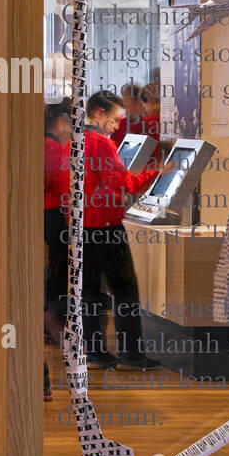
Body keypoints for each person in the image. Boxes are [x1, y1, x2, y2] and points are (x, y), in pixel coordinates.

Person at [67, 89, 171, 372]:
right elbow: (124, 185)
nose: (116, 127)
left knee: (88, 294)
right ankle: (132, 356)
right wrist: (159, 173)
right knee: (125, 292)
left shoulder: (73, 141)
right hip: (106, 228)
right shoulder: (101, 144)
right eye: (114, 121)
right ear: (99, 114)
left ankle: (95, 354)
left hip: (80, 229)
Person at [43, 100, 71, 401]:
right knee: (58, 270)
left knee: (54, 270)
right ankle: (53, 322)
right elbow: (59, 183)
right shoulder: (52, 149)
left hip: (47, 214)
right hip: (53, 216)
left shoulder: (42, 145)